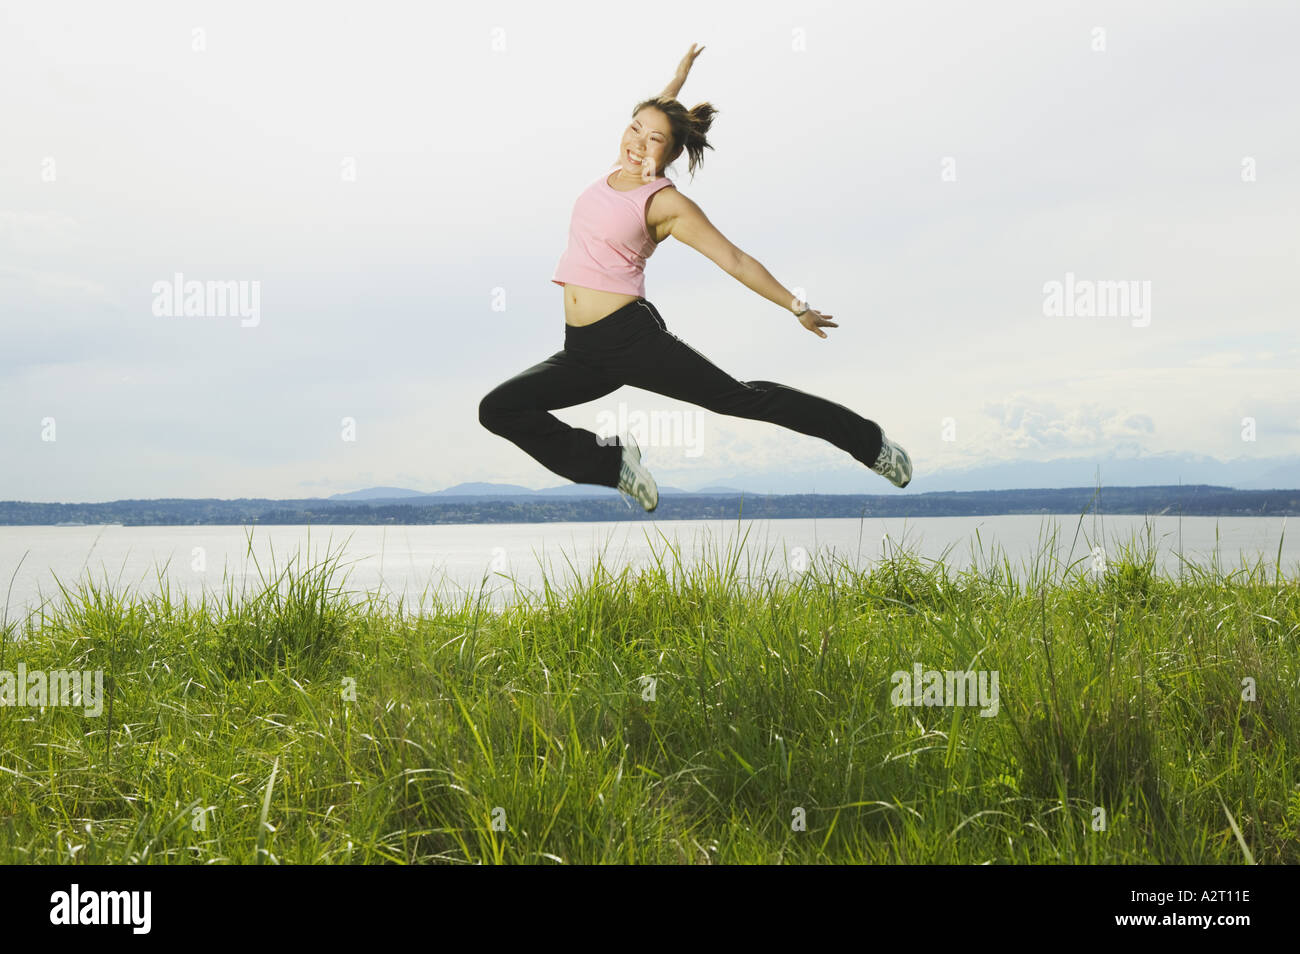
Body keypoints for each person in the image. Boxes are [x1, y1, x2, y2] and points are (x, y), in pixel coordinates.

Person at [479, 43, 913, 512]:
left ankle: (871, 445)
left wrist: (797, 305)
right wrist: (678, 78)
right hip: (582, 349)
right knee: (499, 409)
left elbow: (735, 259)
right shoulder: (614, 172)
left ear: (670, 151)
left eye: (653, 140)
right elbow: (658, 115)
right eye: (634, 128)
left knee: (742, 399)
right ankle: (612, 462)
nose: (637, 142)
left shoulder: (665, 203)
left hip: (630, 339)